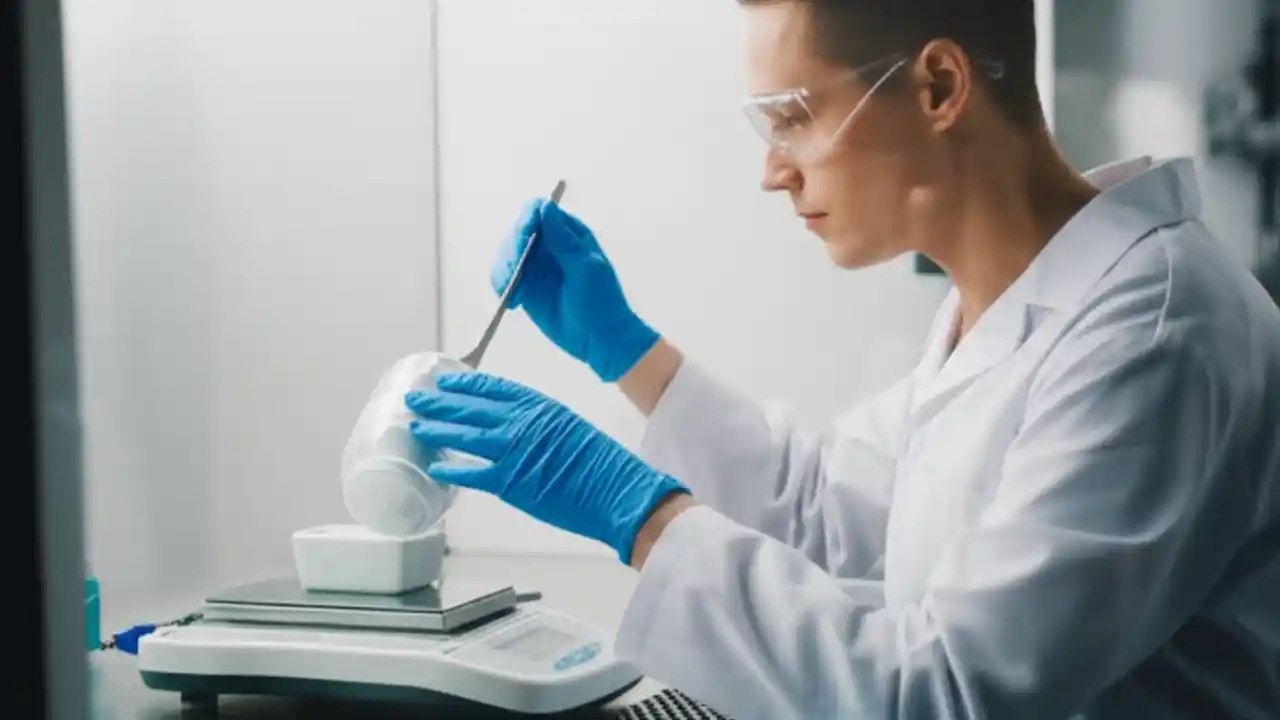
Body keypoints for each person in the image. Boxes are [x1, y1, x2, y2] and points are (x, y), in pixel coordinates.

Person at [404, 1, 1280, 717]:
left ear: (939, 87)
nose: (772, 171)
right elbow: (829, 513)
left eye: (793, 117)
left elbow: (947, 695)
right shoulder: (1012, 305)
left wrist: (634, 512)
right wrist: (626, 350)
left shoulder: (1153, 333)